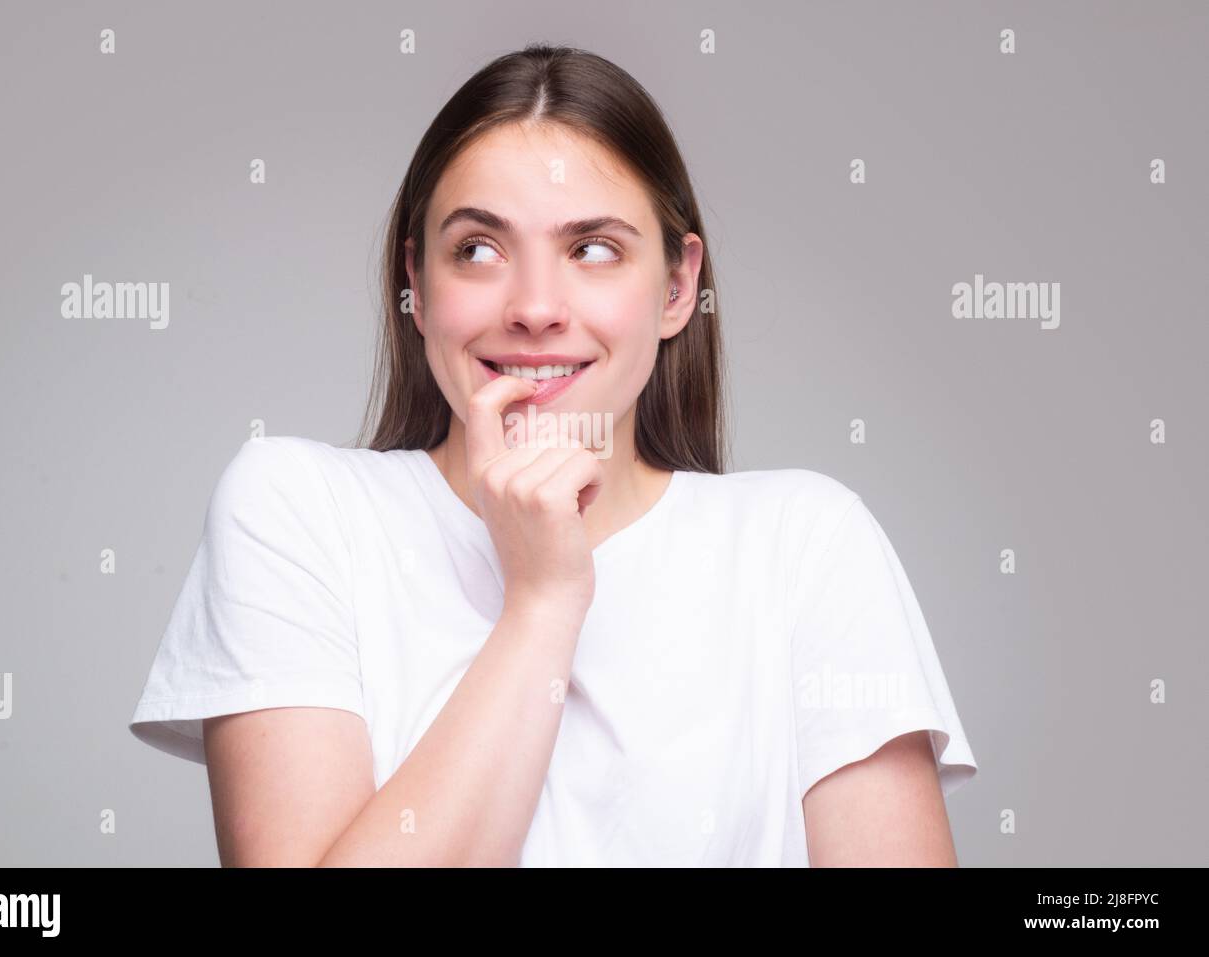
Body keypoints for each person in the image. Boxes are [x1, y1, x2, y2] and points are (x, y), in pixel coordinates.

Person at [128, 43, 978, 866]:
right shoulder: (295, 509)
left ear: (678, 288)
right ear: (416, 287)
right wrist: (541, 604)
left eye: (594, 249)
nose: (535, 307)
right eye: (479, 250)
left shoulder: (806, 545)